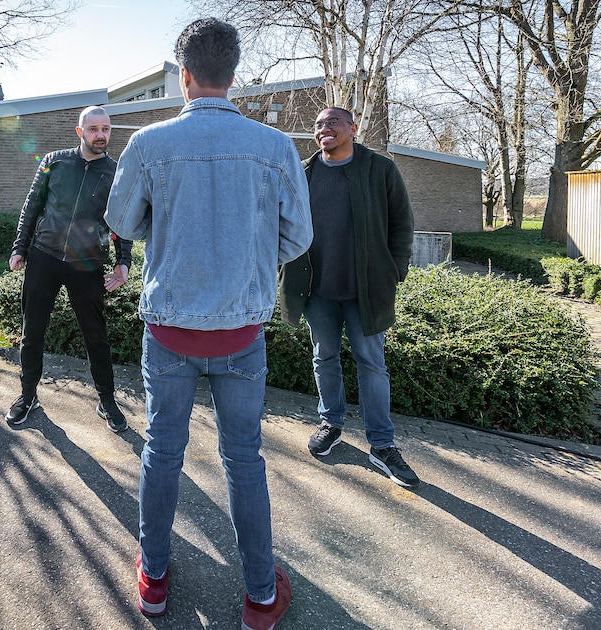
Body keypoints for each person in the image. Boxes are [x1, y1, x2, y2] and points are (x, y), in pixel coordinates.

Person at [105, 18, 312, 629]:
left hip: (168, 330)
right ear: (234, 73)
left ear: (186, 75)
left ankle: (155, 584)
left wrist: (170, 234)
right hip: (241, 334)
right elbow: (297, 237)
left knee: (162, 453)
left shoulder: (148, 143)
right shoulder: (274, 147)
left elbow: (123, 220)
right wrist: (248, 254)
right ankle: (258, 598)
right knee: (244, 460)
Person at [278, 106, 420, 487]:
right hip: (317, 290)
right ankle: (331, 423)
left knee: (371, 363)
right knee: (324, 358)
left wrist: (394, 270)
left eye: (333, 122)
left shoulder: (380, 169)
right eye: (319, 124)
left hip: (366, 289)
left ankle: (382, 445)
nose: (325, 128)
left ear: (353, 129)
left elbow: (402, 222)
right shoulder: (303, 173)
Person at [6, 106, 133, 432]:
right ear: (80, 132)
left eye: (105, 128)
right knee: (32, 332)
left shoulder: (115, 171)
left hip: (87, 264)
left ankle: (106, 401)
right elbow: (32, 205)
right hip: (45, 257)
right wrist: (20, 248)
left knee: (96, 338)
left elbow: (119, 221)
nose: (101, 135)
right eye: (93, 129)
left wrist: (123, 262)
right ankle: (28, 395)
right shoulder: (53, 162)